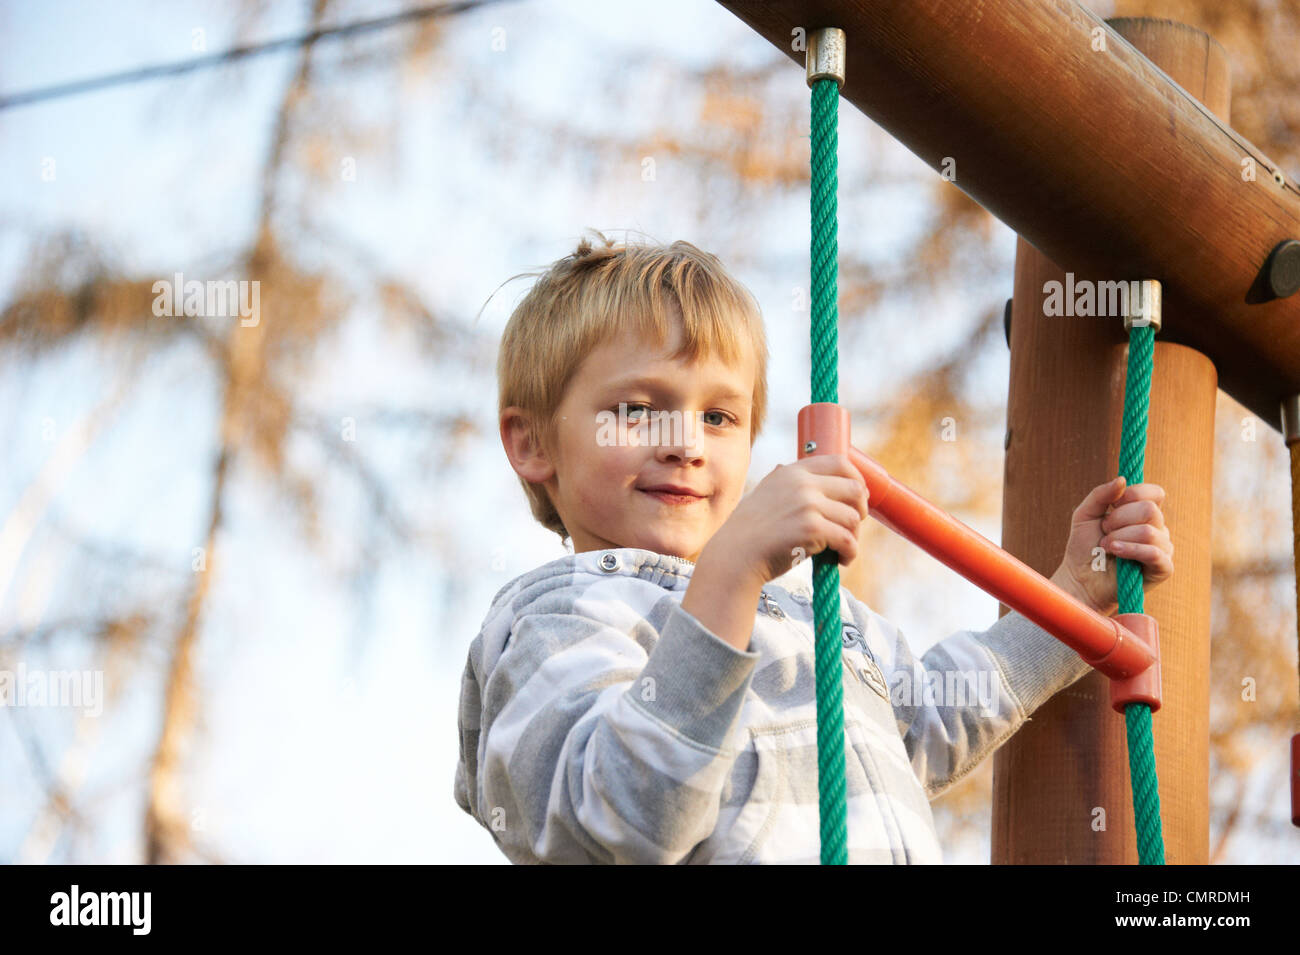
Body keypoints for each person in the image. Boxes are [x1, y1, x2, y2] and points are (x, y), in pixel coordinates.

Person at [453, 230, 1174, 863]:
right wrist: (732, 570)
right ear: (533, 442)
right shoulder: (560, 621)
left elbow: (931, 717)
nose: (686, 445)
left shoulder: (811, 612)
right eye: (637, 410)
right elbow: (625, 816)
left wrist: (1073, 592)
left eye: (719, 415)